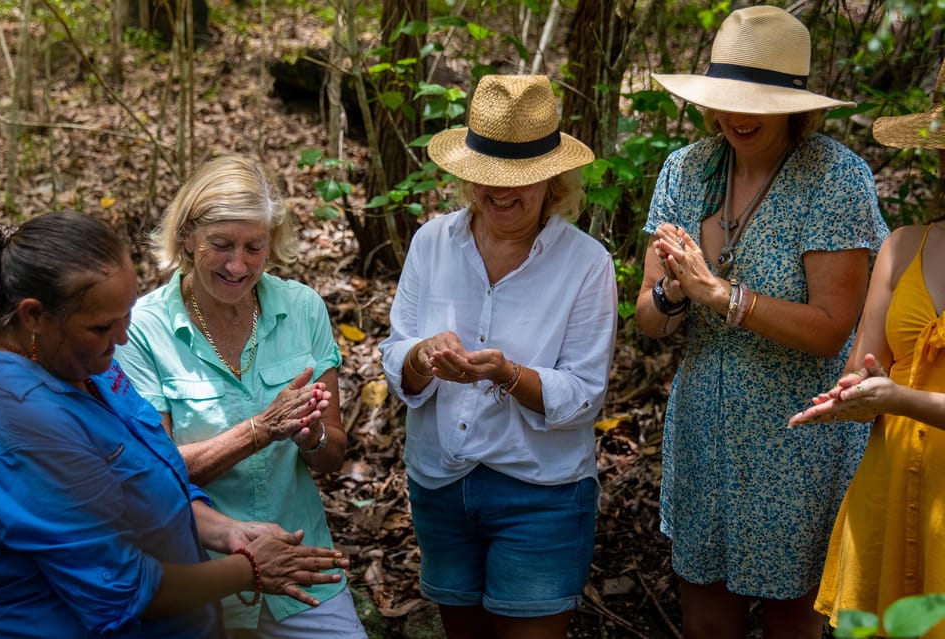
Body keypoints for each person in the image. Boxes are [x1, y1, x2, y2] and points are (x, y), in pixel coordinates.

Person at [634, 6, 889, 639]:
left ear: (796, 105)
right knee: (706, 614)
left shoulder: (833, 178)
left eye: (761, 103)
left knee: (792, 618)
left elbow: (833, 327)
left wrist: (720, 295)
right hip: (704, 427)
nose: (739, 116)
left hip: (798, 437)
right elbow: (646, 317)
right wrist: (674, 290)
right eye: (727, 100)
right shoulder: (687, 170)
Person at [0, 211, 348, 639]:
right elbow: (119, 591)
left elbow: (152, 475)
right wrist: (250, 569)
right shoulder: (18, 426)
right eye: (103, 326)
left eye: (125, 316)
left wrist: (226, 529)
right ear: (33, 316)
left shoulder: (85, 361)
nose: (122, 338)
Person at [378, 74, 618, 639]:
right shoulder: (431, 243)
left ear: (552, 178)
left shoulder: (587, 263)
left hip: (542, 492)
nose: (502, 193)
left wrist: (510, 375)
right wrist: (422, 355)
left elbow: (584, 395)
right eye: (490, 178)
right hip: (440, 482)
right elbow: (396, 354)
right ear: (468, 175)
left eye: (522, 180)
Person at [114, 156, 368, 639]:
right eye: (222, 245)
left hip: (301, 561)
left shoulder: (302, 308)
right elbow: (153, 477)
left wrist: (311, 436)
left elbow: (333, 456)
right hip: (198, 575)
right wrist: (259, 430)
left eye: (255, 247)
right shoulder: (142, 328)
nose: (238, 265)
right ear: (187, 236)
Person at [789, 57, 945, 637]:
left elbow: (898, 395)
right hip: (885, 494)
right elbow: (864, 369)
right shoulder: (904, 246)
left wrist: (900, 397)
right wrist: (856, 392)